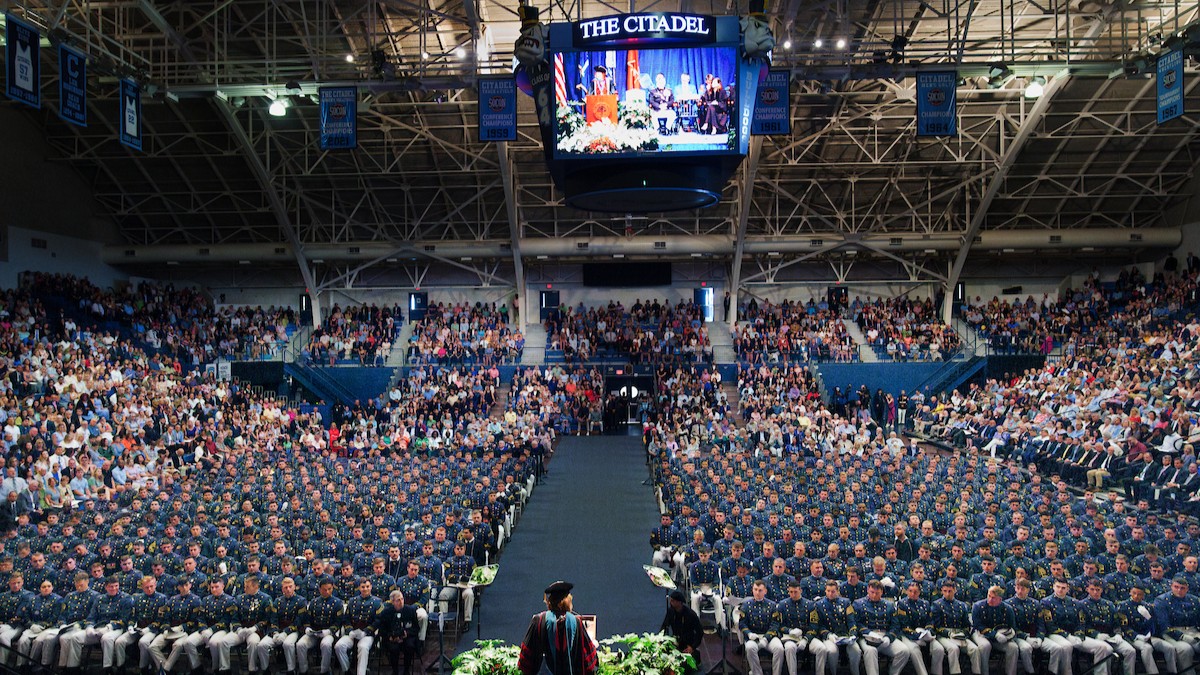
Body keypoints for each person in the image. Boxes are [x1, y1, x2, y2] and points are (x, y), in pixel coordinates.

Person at [518, 580, 598, 675]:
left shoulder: (538, 621)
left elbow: (525, 660)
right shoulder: (576, 623)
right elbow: (589, 661)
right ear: (568, 601)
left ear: (549, 601)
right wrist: (594, 644)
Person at [376, 590, 420, 675]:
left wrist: (406, 633)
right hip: (391, 637)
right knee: (393, 648)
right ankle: (395, 671)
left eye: (402, 599)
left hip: (406, 636)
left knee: (409, 646)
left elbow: (416, 628)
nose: (401, 602)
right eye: (398, 600)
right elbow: (382, 629)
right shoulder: (386, 612)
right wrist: (390, 637)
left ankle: (406, 670)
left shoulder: (410, 610)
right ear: (392, 602)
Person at [661, 589, 702, 673]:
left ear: (679, 602)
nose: (670, 602)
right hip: (676, 642)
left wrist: (692, 647)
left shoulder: (690, 614)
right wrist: (660, 639)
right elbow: (664, 626)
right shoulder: (671, 612)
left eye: (673, 601)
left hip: (688, 644)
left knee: (685, 667)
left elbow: (700, 632)